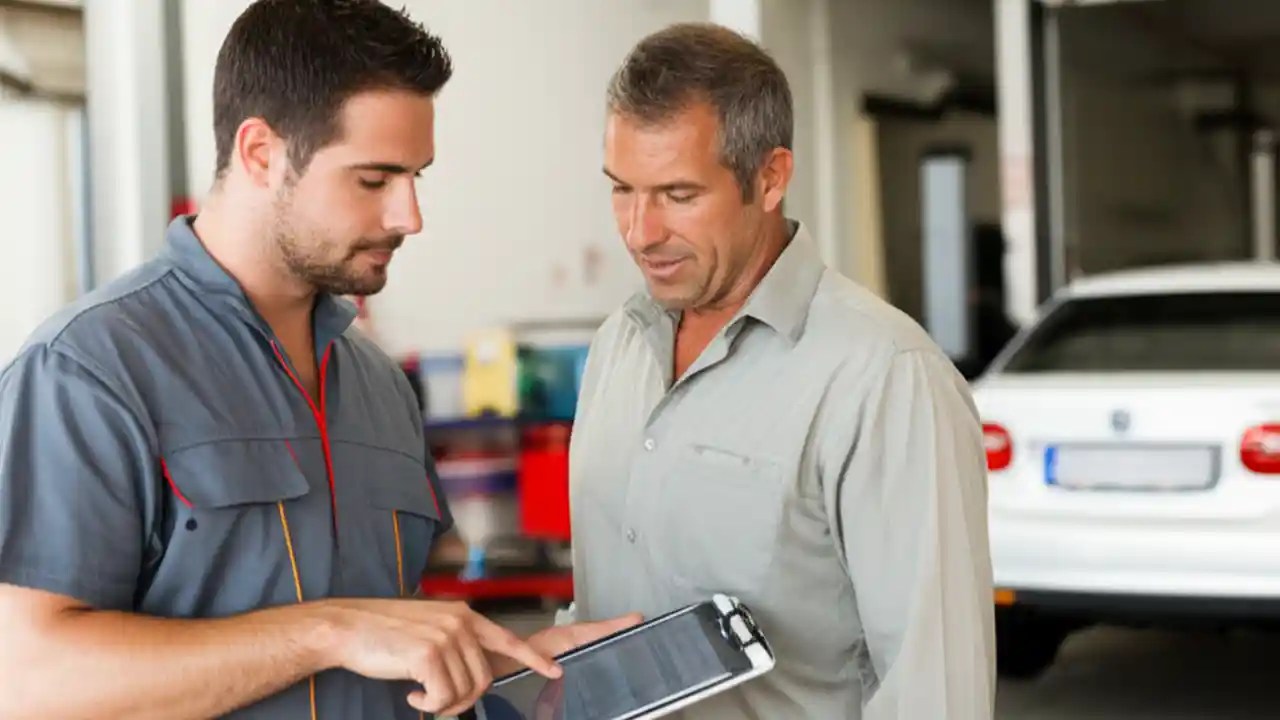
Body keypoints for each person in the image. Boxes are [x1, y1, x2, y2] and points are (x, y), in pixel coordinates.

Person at [0, 2, 635, 718]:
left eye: (416, 177)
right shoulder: (88, 373)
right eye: (374, 180)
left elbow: (382, 649)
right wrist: (327, 631)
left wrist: (497, 665)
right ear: (261, 153)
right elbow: (29, 684)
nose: (409, 216)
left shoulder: (381, 388)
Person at [565, 23, 996, 719]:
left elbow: (935, 692)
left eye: (678, 194)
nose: (640, 231)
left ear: (770, 178)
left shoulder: (885, 377)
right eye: (623, 189)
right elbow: (600, 604)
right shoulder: (620, 344)